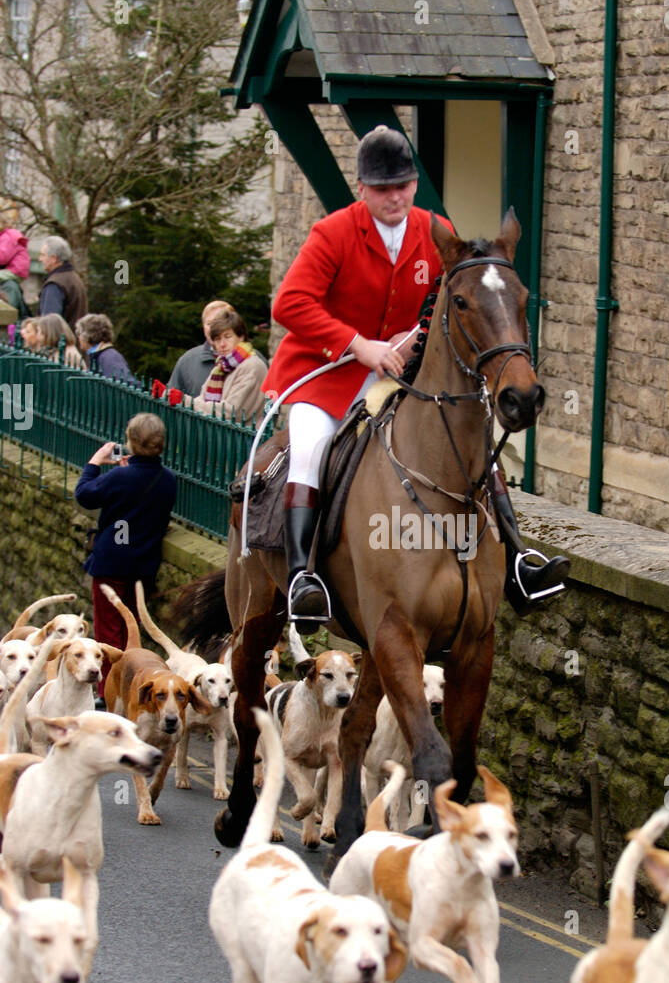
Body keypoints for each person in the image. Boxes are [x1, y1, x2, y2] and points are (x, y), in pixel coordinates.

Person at [264, 124, 567, 630]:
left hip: (401, 373)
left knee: (469, 442)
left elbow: (445, 304)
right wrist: (359, 345)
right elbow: (288, 303)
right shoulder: (333, 233)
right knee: (312, 447)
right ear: (363, 189)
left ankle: (517, 558)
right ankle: (303, 579)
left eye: (402, 186)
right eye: (382, 189)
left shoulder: (435, 229)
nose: (394, 198)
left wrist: (413, 337)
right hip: (330, 373)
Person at [74, 412, 177, 699]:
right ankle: (129, 686)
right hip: (143, 565)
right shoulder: (168, 480)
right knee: (132, 630)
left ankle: (108, 693)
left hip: (111, 564)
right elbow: (140, 502)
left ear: (130, 441)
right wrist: (125, 471)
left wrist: (95, 462)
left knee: (109, 632)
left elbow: (84, 494)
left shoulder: (121, 476)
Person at [183, 309, 267, 420]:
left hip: (245, 436)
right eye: (217, 339)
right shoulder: (221, 367)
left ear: (241, 336)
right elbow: (201, 400)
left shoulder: (252, 366)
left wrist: (185, 401)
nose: (222, 344)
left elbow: (230, 411)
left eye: (228, 337)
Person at [166, 300, 234, 396]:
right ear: (203, 327)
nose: (213, 328)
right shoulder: (187, 361)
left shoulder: (251, 360)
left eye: (219, 322)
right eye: (209, 324)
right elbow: (169, 403)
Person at [38, 236, 88, 325]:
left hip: (62, 338)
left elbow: (49, 326)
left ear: (54, 258)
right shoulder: (74, 278)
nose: (40, 259)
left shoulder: (55, 284)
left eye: (43, 255)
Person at [75, 313, 135, 382]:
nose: (78, 338)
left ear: (87, 336)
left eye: (79, 333)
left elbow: (121, 385)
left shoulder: (109, 357)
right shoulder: (100, 355)